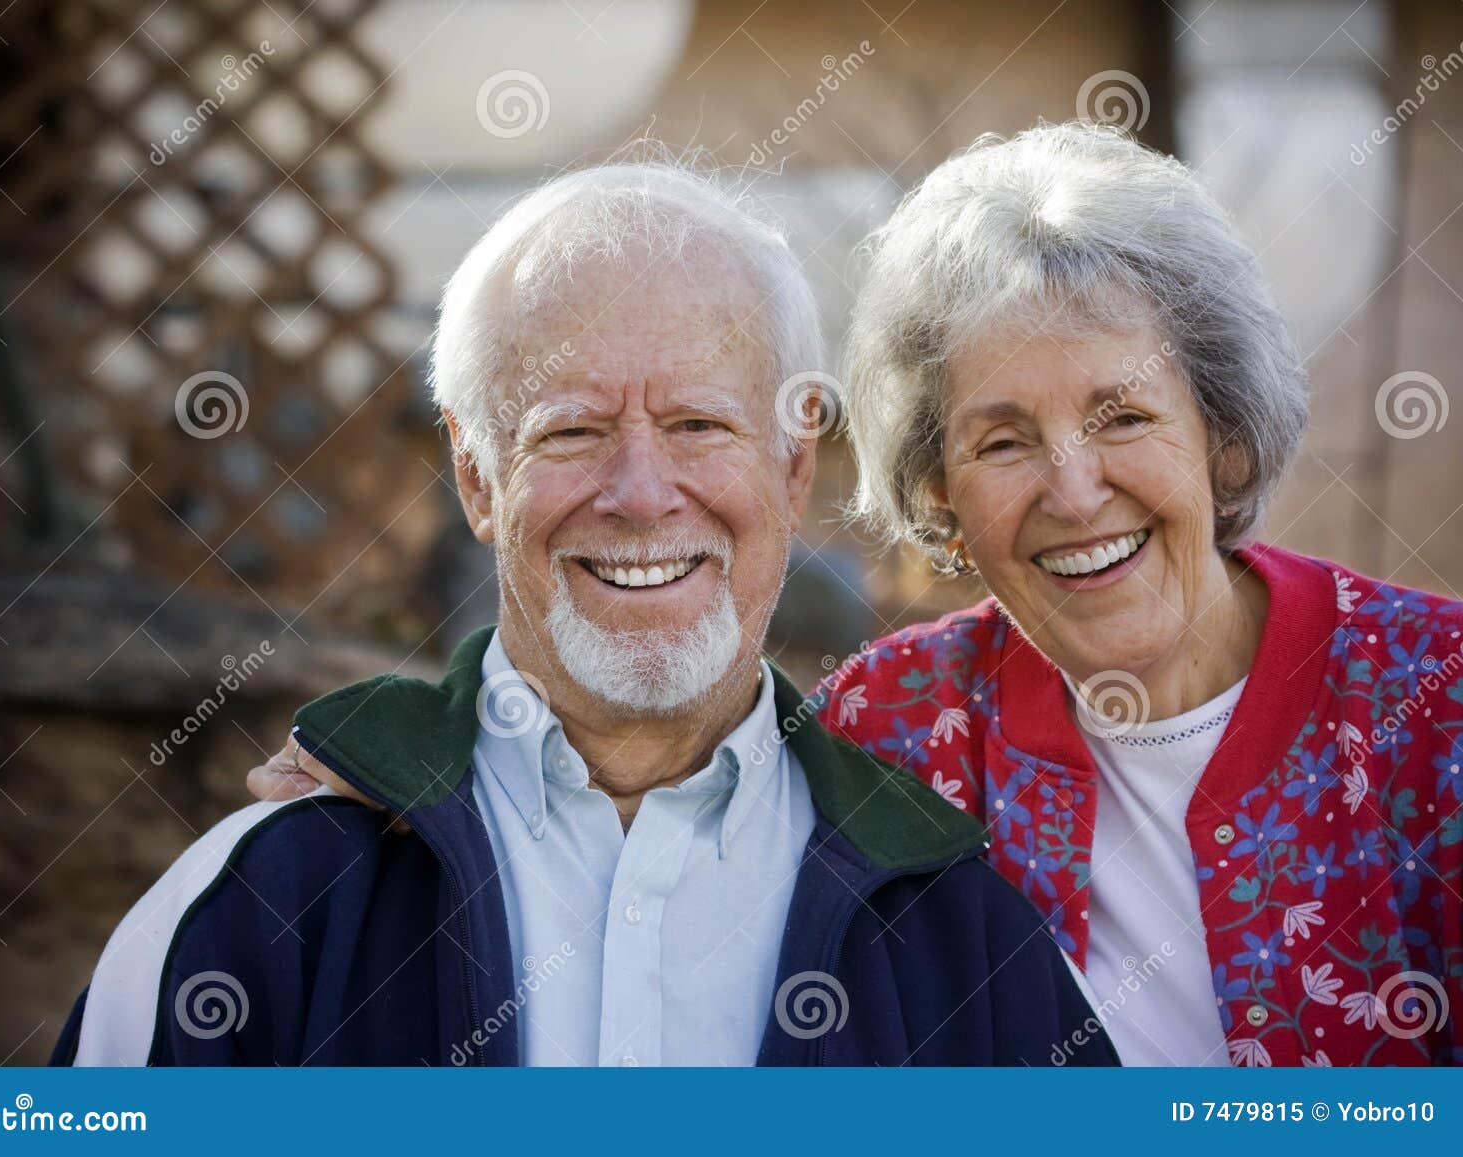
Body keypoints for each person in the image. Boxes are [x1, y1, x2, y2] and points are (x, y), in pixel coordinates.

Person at [258, 124, 1463, 1068]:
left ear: (1224, 436)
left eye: (1123, 415)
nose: (1073, 486)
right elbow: (647, 757)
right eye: (1000, 442)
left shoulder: (1434, 703)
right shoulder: (899, 719)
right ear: (937, 490)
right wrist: (412, 770)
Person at [56, 157, 1112, 1067]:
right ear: (476, 480)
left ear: (793, 468)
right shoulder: (269, 903)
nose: (642, 492)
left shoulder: (965, 941)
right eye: (571, 432)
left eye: (699, 423)